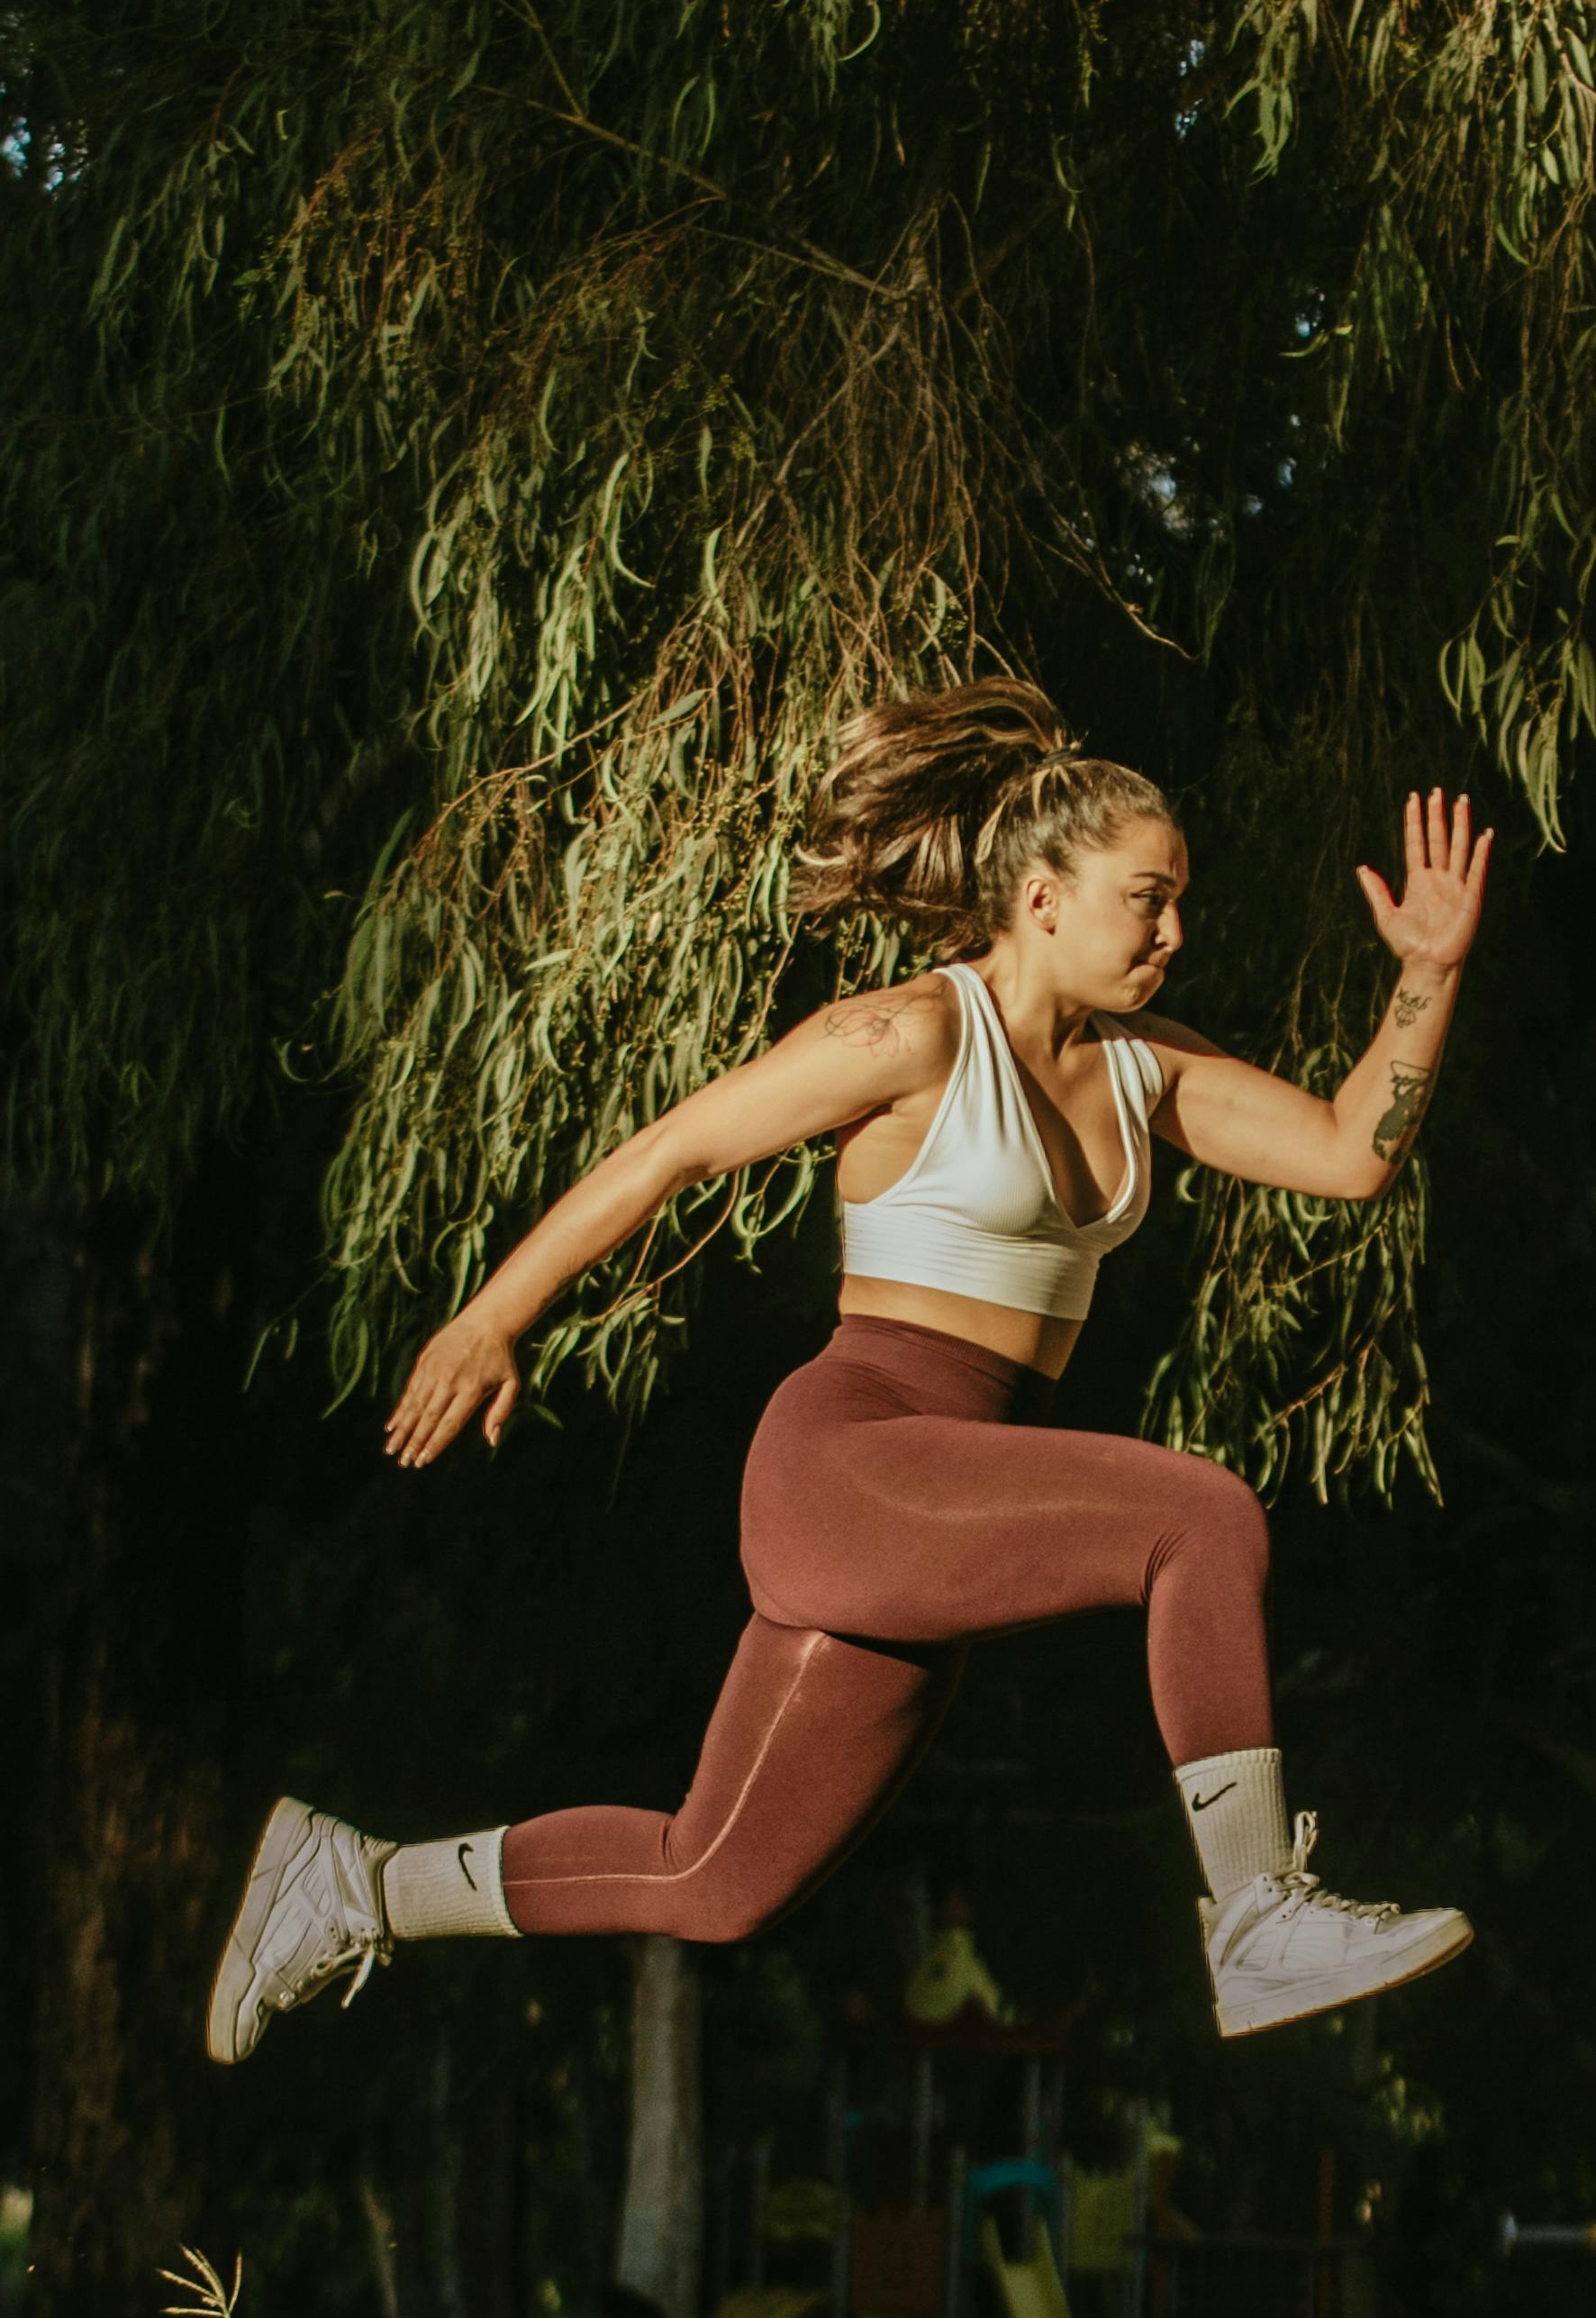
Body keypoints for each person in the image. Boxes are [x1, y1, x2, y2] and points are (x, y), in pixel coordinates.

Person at [207, 678, 1492, 2067]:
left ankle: (354, 1886)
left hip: (953, 1491)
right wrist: (488, 1317)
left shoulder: (1143, 1070)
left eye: (1179, 901)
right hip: (855, 1458)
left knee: (718, 1880)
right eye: (1146, 897)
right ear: (1043, 898)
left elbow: (1352, 1154)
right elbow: (672, 1151)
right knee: (1202, 1516)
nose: (1174, 930)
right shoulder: (912, 1036)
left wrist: (1424, 976)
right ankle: (1255, 1908)